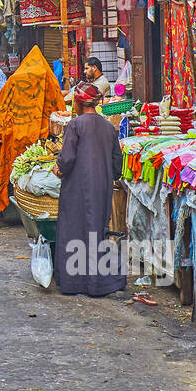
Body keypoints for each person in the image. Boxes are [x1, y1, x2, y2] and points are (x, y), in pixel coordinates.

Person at [0, 47, 66, 215]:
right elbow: (59, 112)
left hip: (11, 138)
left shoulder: (14, 83)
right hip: (42, 140)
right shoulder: (48, 80)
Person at [54, 82, 126, 297]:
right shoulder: (108, 127)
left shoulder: (75, 125)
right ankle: (97, 282)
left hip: (76, 187)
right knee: (97, 229)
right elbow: (117, 163)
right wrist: (108, 176)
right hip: (101, 187)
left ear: (78, 102)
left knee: (73, 229)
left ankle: (73, 282)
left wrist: (58, 169)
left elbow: (66, 159)